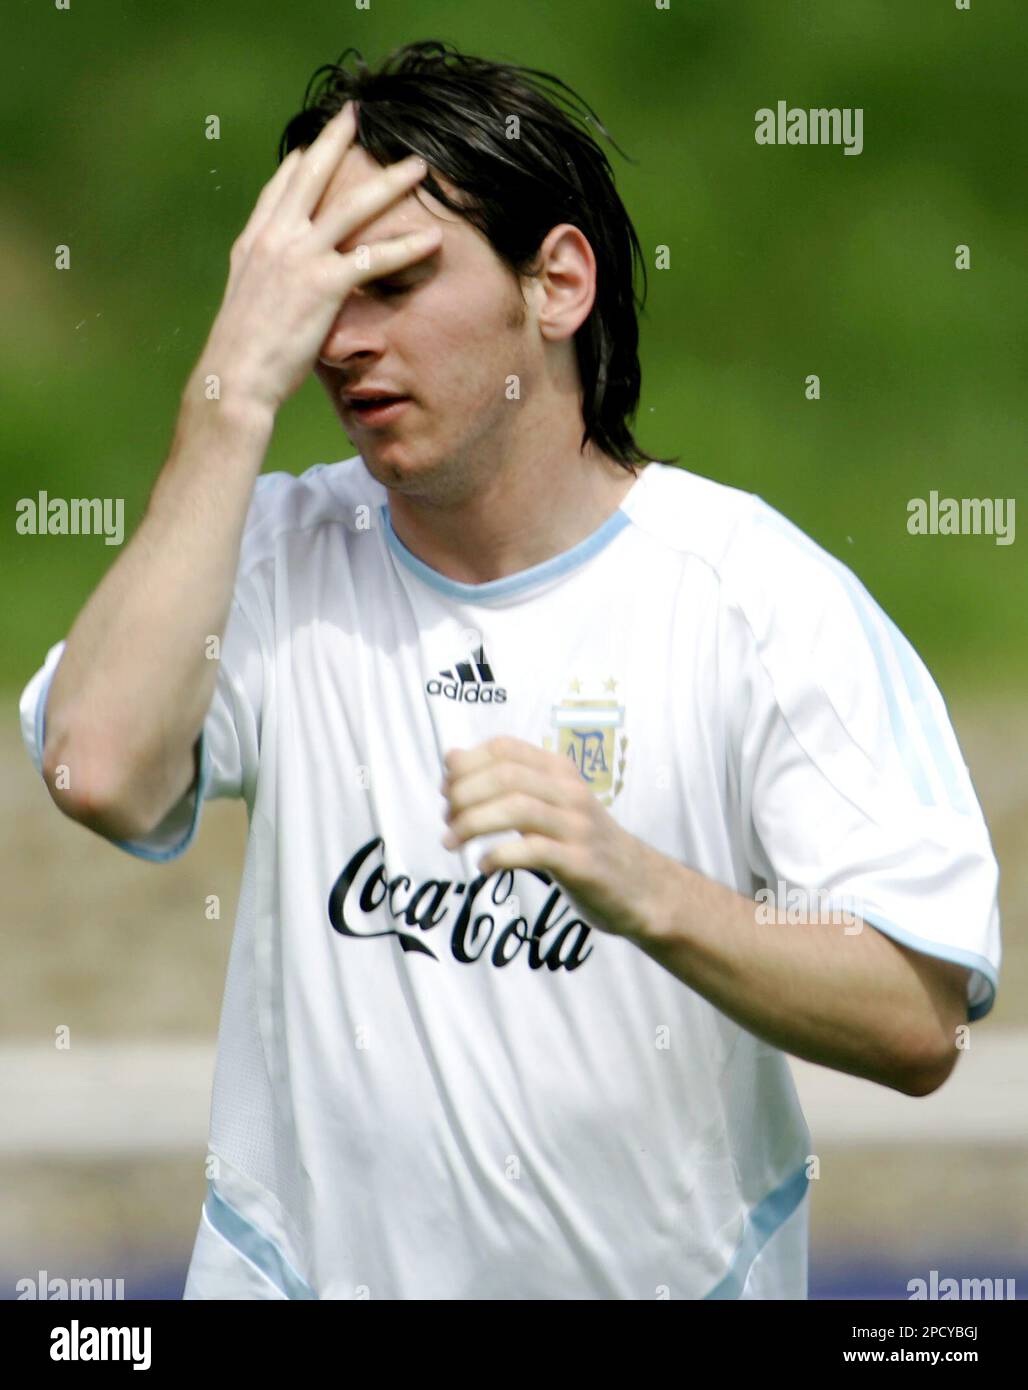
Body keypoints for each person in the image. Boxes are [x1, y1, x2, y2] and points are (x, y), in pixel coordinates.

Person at [18, 40, 1000, 1300]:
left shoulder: (750, 594)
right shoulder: (267, 551)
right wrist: (229, 391)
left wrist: (634, 883)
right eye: (312, 296)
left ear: (556, 283)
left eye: (395, 282)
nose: (337, 342)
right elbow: (95, 768)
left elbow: (914, 1016)